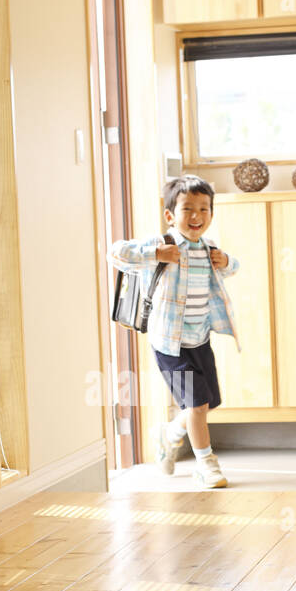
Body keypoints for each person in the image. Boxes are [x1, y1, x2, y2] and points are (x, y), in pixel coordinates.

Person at [108, 174, 240, 488]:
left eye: (204, 209)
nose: (196, 216)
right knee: (196, 406)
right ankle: (206, 465)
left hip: (200, 339)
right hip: (170, 344)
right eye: (187, 209)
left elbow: (235, 268)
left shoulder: (209, 249)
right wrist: (155, 255)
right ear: (170, 216)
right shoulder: (163, 246)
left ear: (211, 213)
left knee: (204, 405)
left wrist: (227, 262)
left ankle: (168, 435)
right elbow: (116, 252)